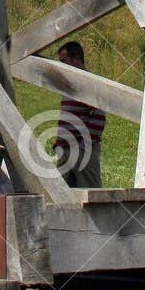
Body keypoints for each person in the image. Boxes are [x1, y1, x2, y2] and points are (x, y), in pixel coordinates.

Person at [53, 40, 104, 188]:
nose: (61, 66)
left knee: (91, 196)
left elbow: (98, 117)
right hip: (66, 151)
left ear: (76, 59)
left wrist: (82, 147)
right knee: (61, 197)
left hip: (82, 152)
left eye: (64, 61)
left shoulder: (88, 83)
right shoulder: (70, 85)